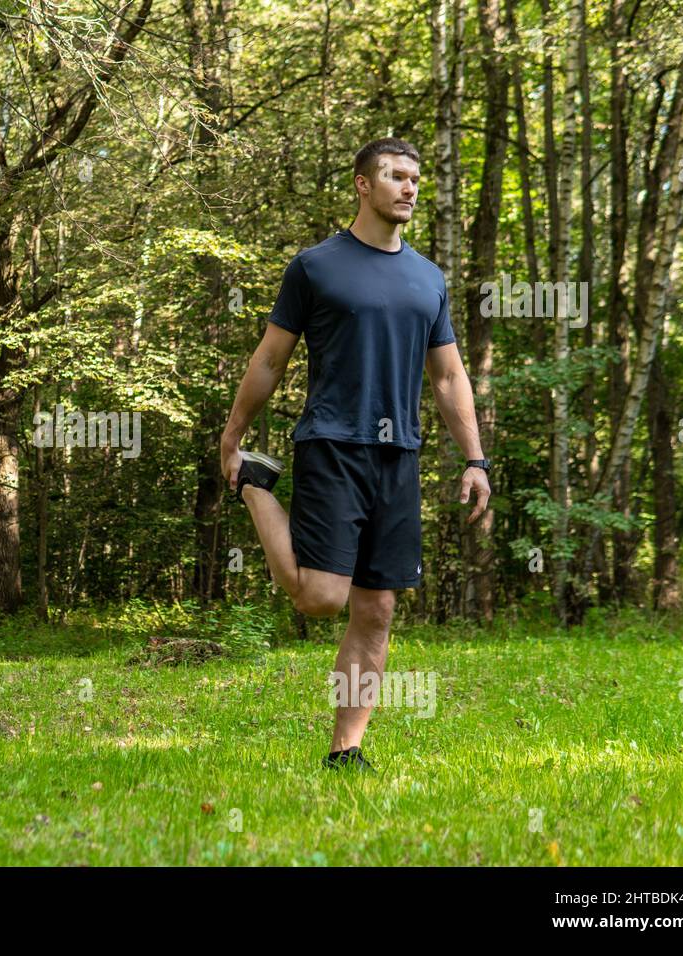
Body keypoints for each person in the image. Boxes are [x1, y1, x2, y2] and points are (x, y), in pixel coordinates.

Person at [220, 137, 491, 772]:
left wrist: (475, 460)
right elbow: (269, 358)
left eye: (416, 178)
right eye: (395, 176)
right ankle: (257, 486)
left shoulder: (428, 279)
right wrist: (234, 435)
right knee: (318, 598)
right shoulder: (316, 267)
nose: (410, 188)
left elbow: (449, 379)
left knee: (377, 609)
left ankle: (347, 750)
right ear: (363, 185)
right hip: (333, 443)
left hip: (399, 458)